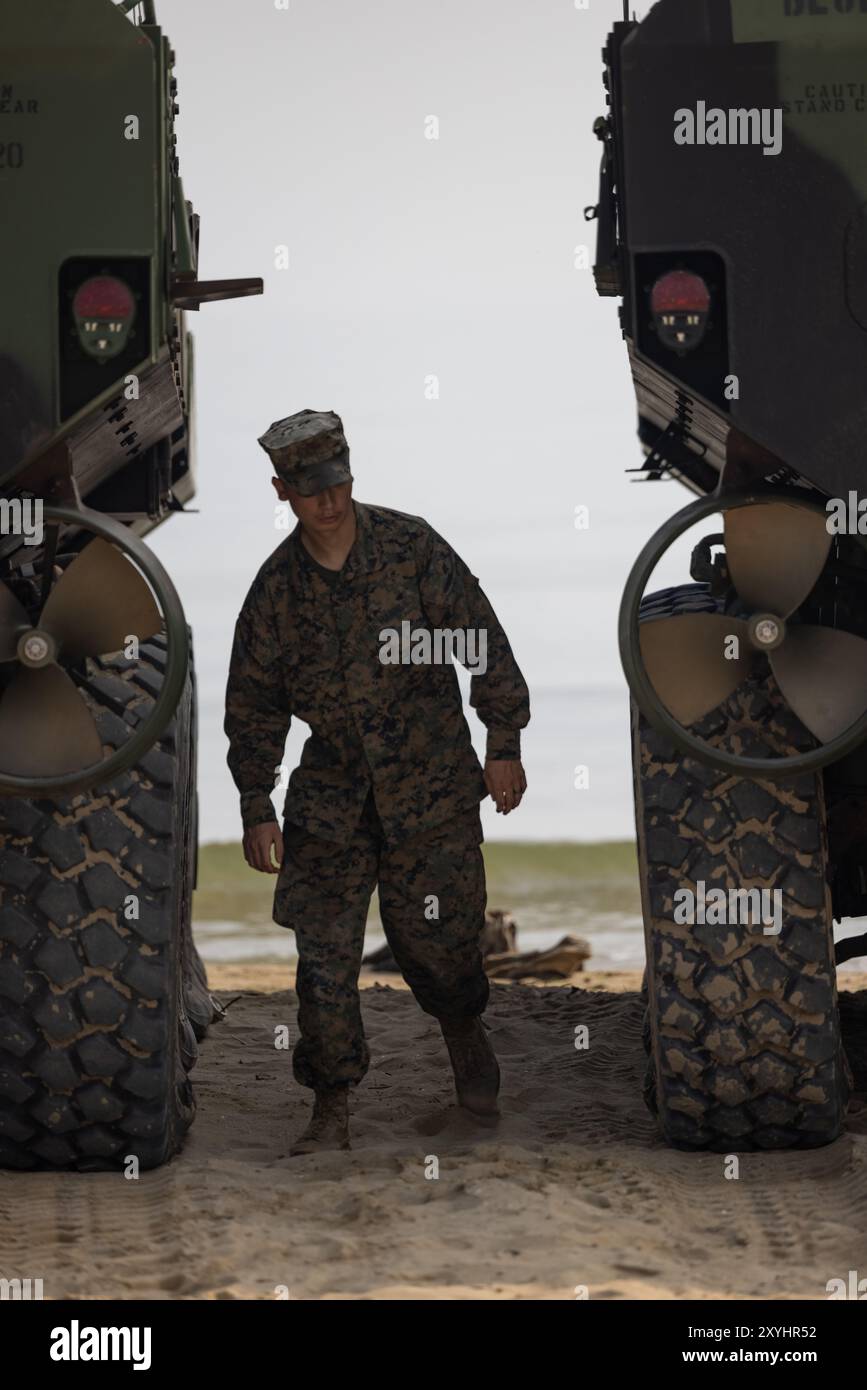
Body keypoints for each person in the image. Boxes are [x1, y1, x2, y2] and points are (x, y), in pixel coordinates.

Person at [225, 409, 530, 1154]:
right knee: (323, 959)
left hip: (429, 786)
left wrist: (503, 741)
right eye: (308, 489)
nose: (327, 502)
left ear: (350, 474)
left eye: (336, 483)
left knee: (440, 947)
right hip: (330, 799)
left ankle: (466, 1046)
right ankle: (331, 1108)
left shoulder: (410, 547)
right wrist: (256, 802)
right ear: (281, 491)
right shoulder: (275, 592)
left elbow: (478, 639)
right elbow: (254, 704)